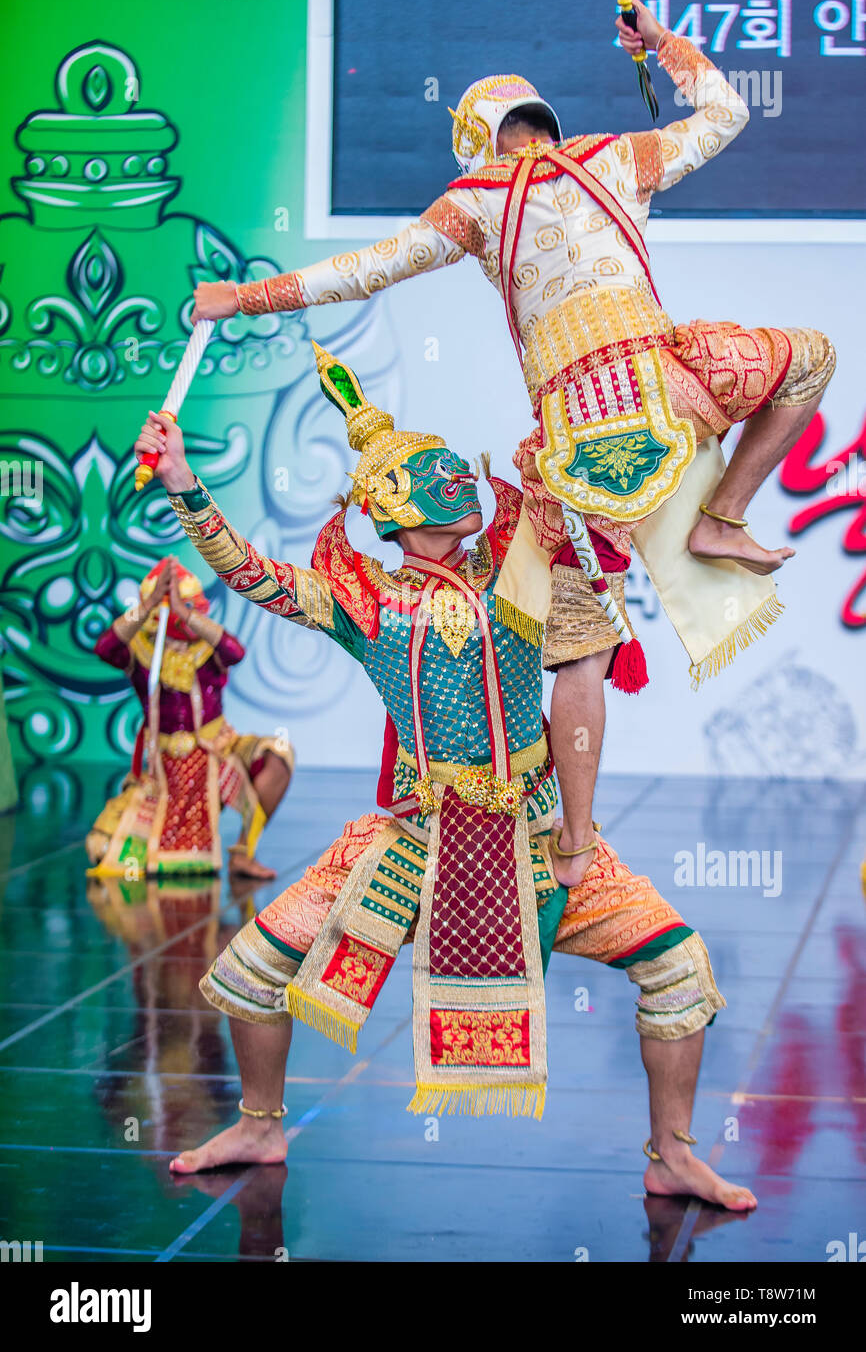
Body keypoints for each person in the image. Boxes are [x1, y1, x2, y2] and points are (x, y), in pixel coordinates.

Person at [188, 0, 835, 895]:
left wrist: (242, 298)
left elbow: (363, 270)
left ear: (479, 144)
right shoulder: (618, 155)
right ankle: (722, 518)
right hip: (668, 392)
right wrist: (661, 46)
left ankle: (572, 839)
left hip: (573, 444)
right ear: (543, 122)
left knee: (577, 644)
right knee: (810, 362)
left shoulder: (475, 202)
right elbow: (727, 113)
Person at [133, 342, 757, 1212]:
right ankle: (262, 1122)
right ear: (394, 505)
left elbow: (574, 524)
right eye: (434, 469)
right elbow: (251, 574)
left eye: (450, 462)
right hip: (411, 842)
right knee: (246, 971)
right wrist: (180, 482)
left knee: (681, 970)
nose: (457, 474)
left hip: (537, 837)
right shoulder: (364, 600)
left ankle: (673, 1154)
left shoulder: (519, 568)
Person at [86, 555, 294, 880]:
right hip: (166, 767)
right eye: (179, 608)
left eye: (192, 606)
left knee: (278, 758)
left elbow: (235, 652)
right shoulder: (140, 649)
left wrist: (186, 616)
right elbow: (104, 648)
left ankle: (243, 854)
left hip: (218, 749)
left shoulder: (206, 645)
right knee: (107, 850)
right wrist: (151, 603)